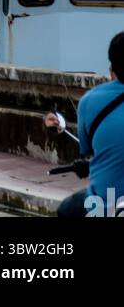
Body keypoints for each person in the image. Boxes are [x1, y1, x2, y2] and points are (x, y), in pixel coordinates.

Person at [58, 31, 124, 218]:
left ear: (112, 68)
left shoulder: (90, 100)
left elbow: (87, 150)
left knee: (66, 210)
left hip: (103, 206)